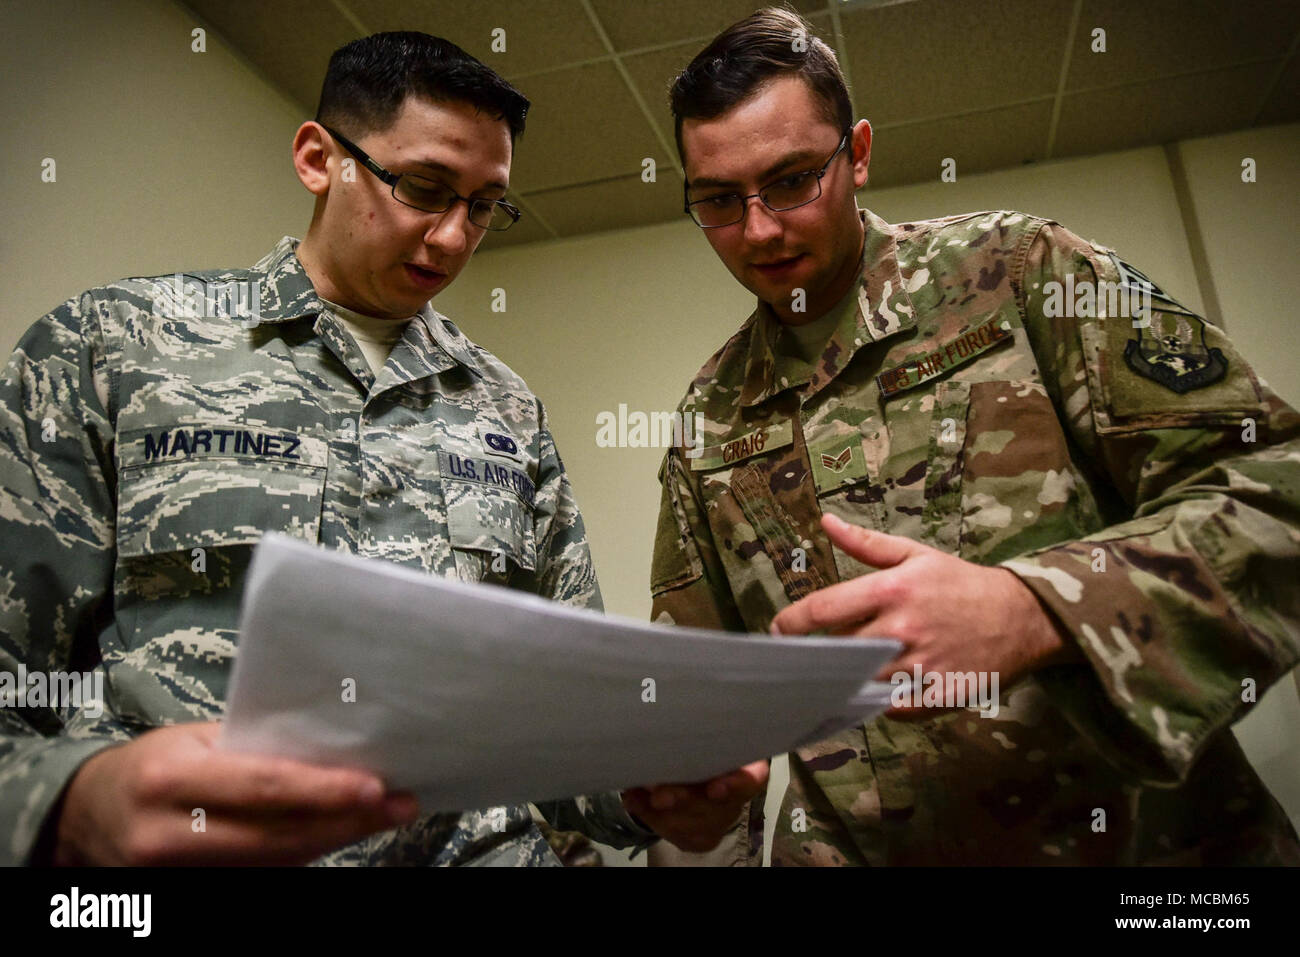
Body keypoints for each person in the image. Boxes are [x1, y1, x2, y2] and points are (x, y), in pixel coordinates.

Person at [647, 7, 1300, 865]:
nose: (760, 229)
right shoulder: (708, 419)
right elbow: (696, 698)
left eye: (795, 179)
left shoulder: (1020, 272)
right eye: (720, 201)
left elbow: (1275, 488)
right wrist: (686, 802)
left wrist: (1035, 607)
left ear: (861, 153)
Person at [0, 31, 669, 866]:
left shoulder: (507, 408)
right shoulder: (109, 348)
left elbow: (562, 717)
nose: (456, 238)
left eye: (485, 206)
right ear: (320, 158)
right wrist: (73, 799)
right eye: (424, 188)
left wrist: (649, 785)